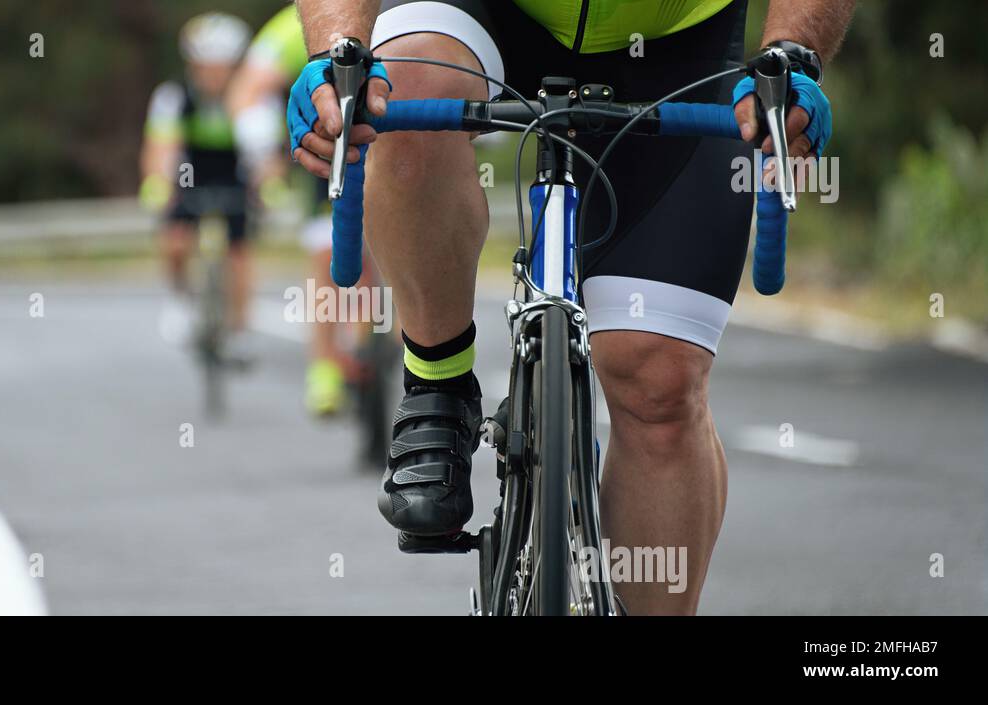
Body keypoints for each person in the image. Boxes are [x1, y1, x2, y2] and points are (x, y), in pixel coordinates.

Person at [288, 0, 848, 614]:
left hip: (672, 36)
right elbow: (348, 53)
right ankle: (436, 380)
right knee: (397, 95)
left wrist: (796, 53)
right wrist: (333, 49)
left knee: (659, 384)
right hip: (478, 13)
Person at [226, 4, 388, 417]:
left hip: (401, 140)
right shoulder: (298, 21)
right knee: (325, 254)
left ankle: (412, 349)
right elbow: (247, 90)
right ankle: (325, 368)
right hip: (335, 141)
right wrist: (264, 156)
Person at [141, 12, 255, 355]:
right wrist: (157, 182)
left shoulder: (249, 95)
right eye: (206, 66)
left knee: (238, 251)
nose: (214, 75)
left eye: (222, 66)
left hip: (234, 167)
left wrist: (268, 184)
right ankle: (180, 298)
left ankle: (238, 327)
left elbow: (263, 149)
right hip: (191, 168)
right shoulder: (173, 96)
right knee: (175, 240)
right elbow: (162, 145)